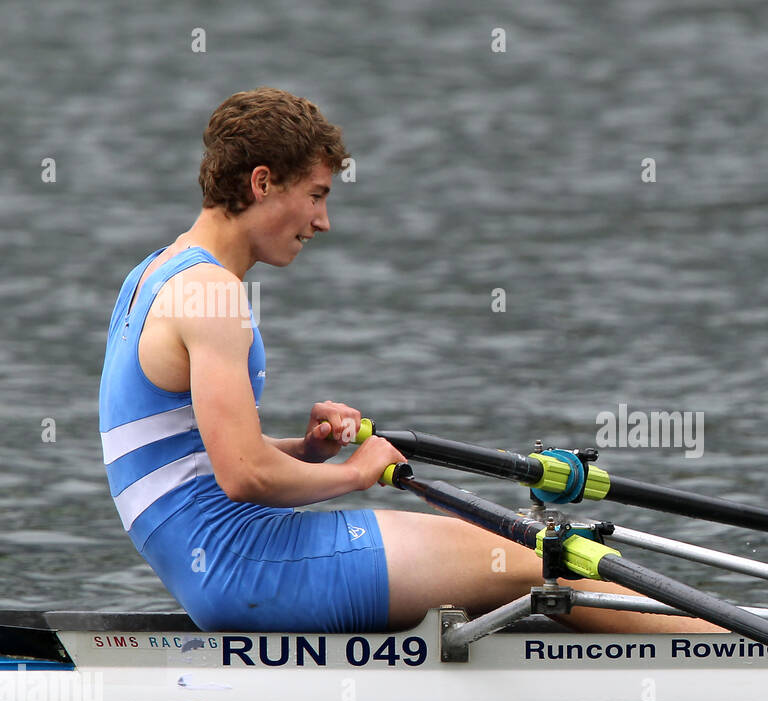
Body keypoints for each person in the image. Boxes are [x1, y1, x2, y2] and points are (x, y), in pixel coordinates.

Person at [99, 87, 724, 635]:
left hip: (217, 565)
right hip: (243, 566)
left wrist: (308, 453)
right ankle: (734, 656)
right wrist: (357, 472)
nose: (323, 220)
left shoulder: (155, 273)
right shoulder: (212, 296)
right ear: (262, 183)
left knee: (508, 556)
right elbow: (243, 478)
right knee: (533, 557)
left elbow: (193, 459)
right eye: (315, 195)